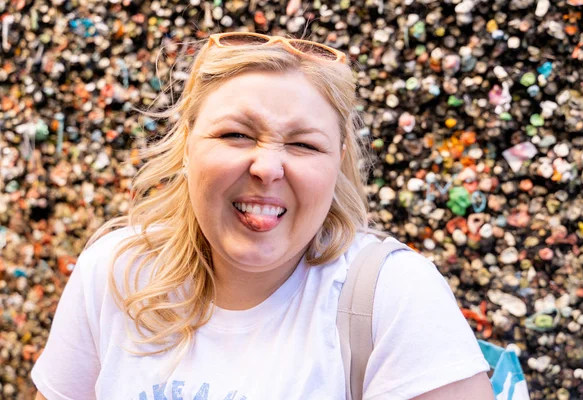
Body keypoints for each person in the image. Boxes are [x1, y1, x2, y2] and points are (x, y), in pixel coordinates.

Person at [32, 32, 494, 400]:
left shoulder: (395, 298)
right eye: (235, 134)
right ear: (187, 145)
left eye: (304, 144)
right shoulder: (116, 273)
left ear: (338, 162)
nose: (268, 168)